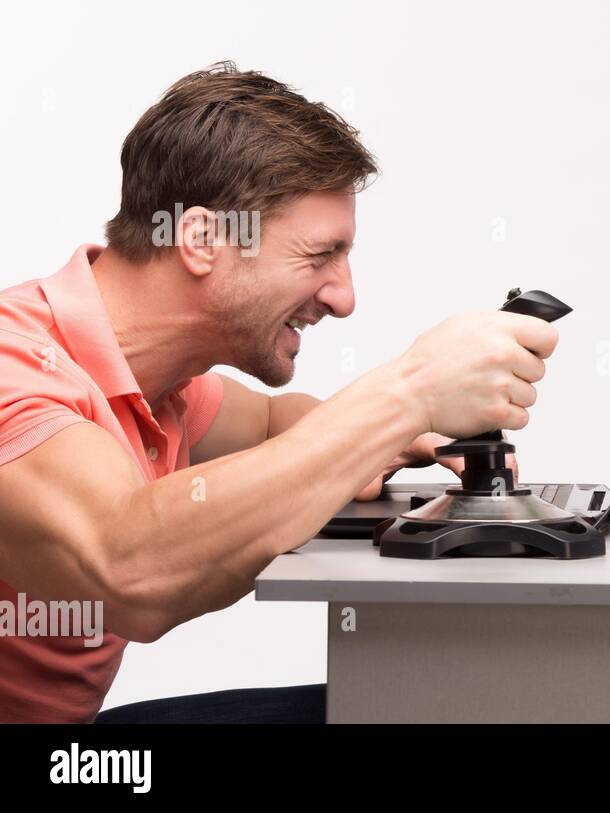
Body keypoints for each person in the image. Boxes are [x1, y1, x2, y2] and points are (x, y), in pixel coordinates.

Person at [0, 63, 553, 723]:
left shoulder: (158, 383)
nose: (344, 298)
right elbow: (130, 566)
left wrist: (400, 437)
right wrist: (407, 391)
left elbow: (270, 424)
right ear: (201, 239)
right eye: (320, 255)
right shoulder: (17, 369)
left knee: (411, 707)